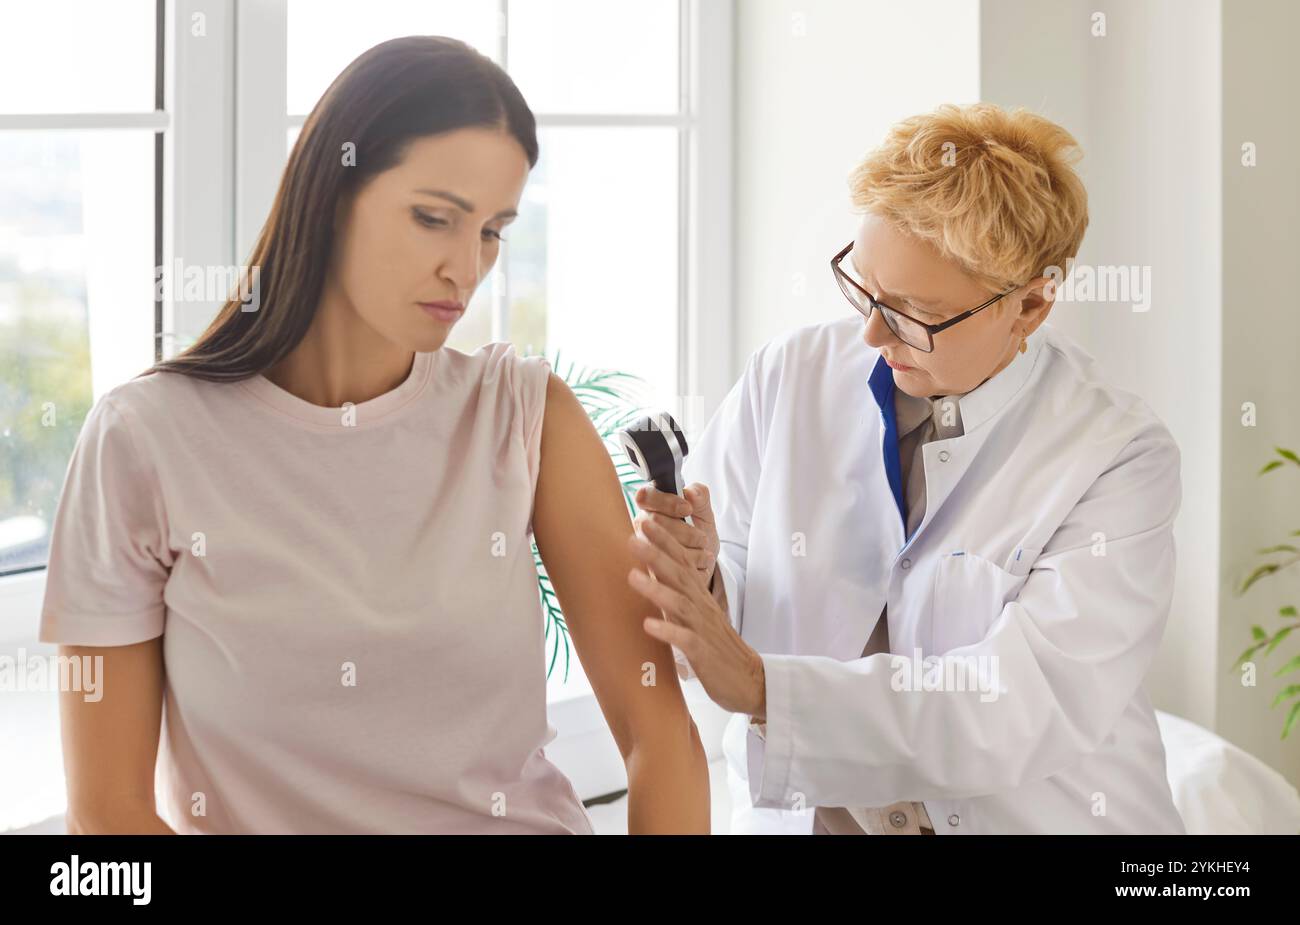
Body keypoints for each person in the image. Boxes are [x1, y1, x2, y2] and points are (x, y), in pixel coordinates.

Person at [39, 36, 708, 835]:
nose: (466, 267)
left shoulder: (524, 416)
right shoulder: (143, 439)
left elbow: (657, 731)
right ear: (330, 193)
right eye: (435, 218)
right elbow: (107, 815)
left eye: (492, 230)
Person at [628, 102, 1185, 835]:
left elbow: (1018, 703)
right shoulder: (792, 374)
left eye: (913, 312)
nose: (870, 331)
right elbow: (738, 570)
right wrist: (705, 575)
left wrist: (766, 689)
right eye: (863, 287)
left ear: (1030, 307)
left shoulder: (1115, 453)